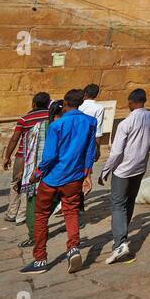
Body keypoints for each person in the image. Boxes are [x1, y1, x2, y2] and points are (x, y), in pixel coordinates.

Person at [21, 89, 97, 274]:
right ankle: (73, 248)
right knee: (71, 212)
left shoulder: (57, 126)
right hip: (75, 176)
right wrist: (86, 174)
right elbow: (90, 150)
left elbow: (49, 156)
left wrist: (37, 173)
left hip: (53, 177)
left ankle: (40, 259)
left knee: (41, 216)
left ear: (65, 103)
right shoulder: (90, 122)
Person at [98, 88, 150, 264]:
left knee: (118, 204)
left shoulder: (125, 123)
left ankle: (120, 243)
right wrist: (142, 150)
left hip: (123, 169)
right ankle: (121, 236)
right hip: (140, 166)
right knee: (129, 201)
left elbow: (117, 151)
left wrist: (105, 171)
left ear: (131, 102)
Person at [20, 101, 65, 248]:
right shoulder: (69, 126)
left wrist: (33, 172)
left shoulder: (40, 127)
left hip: (42, 172)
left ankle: (35, 236)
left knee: (35, 206)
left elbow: (31, 151)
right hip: (64, 172)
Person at [3, 92, 51, 225]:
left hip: (22, 156)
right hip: (43, 155)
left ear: (33, 104)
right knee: (32, 183)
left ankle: (12, 212)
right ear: (48, 104)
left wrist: (7, 156)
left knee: (16, 183)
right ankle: (23, 213)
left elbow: (14, 139)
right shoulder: (51, 117)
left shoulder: (24, 119)